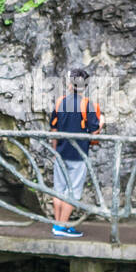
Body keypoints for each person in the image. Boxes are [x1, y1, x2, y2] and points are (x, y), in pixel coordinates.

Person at [48, 67, 102, 238]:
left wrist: (55, 150)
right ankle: (62, 227)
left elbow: (53, 129)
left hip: (61, 153)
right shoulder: (88, 105)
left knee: (59, 189)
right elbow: (94, 132)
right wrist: (102, 123)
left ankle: (57, 224)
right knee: (73, 192)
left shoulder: (60, 102)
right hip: (78, 156)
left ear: (70, 84)